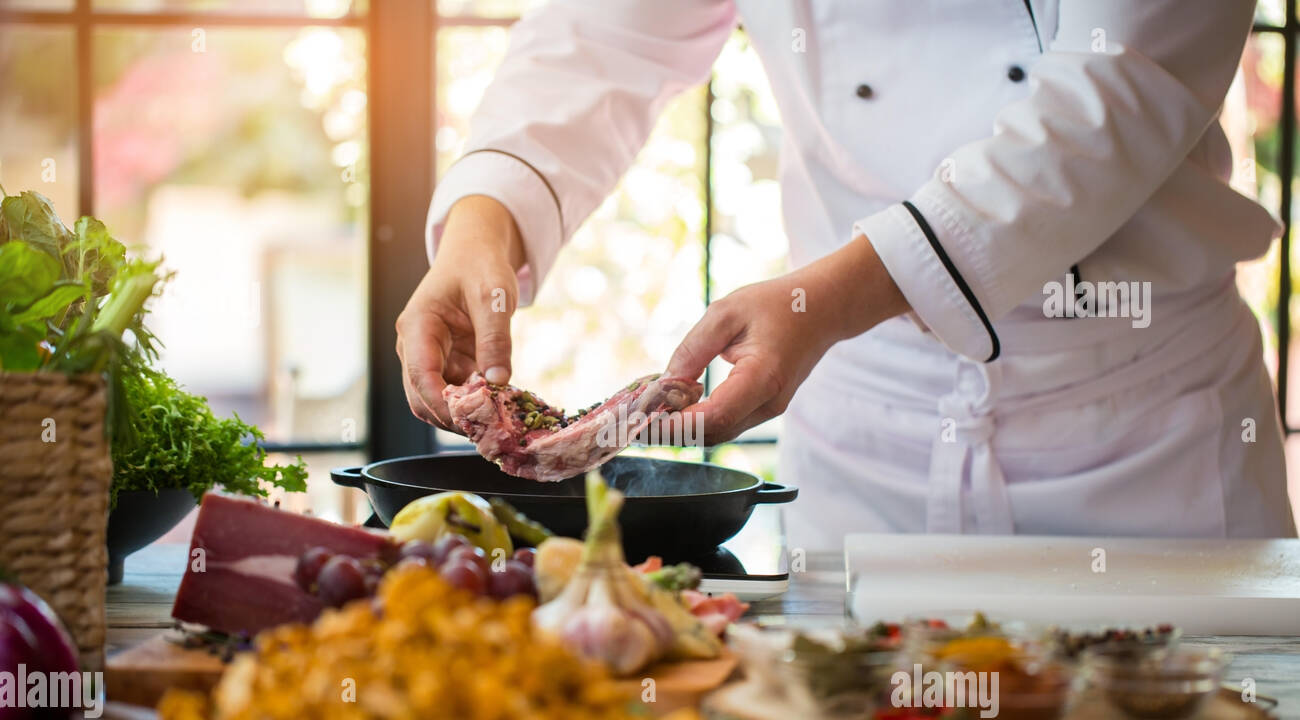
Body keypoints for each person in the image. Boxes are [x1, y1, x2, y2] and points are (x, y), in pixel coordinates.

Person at [396, 0, 1296, 548]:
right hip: (864, 454)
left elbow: (1125, 85)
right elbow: (606, 38)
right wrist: (486, 217)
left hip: (1142, 449)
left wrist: (836, 298)